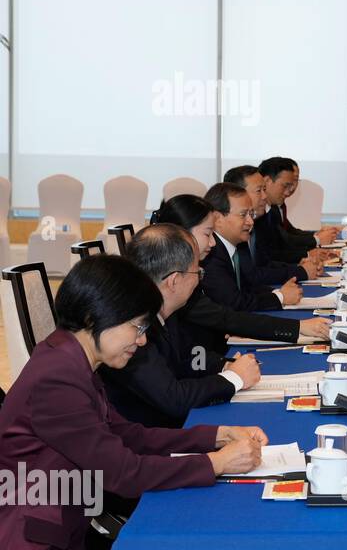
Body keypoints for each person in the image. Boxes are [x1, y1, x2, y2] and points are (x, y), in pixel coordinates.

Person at [0, 254, 265, 550]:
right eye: (137, 328)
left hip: (66, 538)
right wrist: (216, 463)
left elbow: (128, 435)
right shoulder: (57, 378)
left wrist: (215, 437)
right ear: (96, 317)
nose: (141, 342)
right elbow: (124, 473)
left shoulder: (70, 358)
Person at [100, 224, 260, 428]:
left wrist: (224, 364)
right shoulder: (131, 328)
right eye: (197, 273)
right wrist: (234, 378)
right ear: (174, 281)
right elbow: (174, 399)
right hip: (150, 437)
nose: (199, 280)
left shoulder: (165, 310)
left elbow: (187, 358)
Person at [151, 195, 330, 371]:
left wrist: (224, 363)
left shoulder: (193, 268)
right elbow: (225, 317)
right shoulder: (178, 283)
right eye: (208, 233)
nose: (213, 242)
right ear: (181, 235)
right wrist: (298, 326)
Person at [202, 182, 302, 312]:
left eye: (251, 214)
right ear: (218, 218)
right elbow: (234, 303)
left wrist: (279, 292)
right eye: (243, 215)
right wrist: (281, 297)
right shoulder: (211, 254)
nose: (250, 222)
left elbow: (247, 287)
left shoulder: (233, 246)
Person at [223, 165, 323, 283]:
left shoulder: (255, 222)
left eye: (264, 190)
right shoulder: (236, 231)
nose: (265, 196)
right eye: (259, 191)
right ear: (238, 194)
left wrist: (298, 267)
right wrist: (300, 271)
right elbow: (252, 276)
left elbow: (264, 262)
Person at [258, 156, 340, 262]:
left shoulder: (273, 207)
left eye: (295, 181)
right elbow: (281, 247)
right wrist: (314, 244)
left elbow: (288, 234)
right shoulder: (260, 213)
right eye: (286, 185)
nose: (290, 190)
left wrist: (316, 235)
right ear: (267, 181)